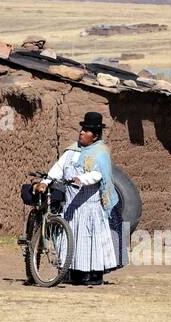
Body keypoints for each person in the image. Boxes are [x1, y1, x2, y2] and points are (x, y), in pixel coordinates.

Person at [42, 111, 119, 286]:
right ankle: (74, 272)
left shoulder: (100, 153)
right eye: (82, 129)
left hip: (90, 208)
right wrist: (45, 182)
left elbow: (99, 174)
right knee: (72, 239)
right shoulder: (71, 151)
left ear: (95, 136)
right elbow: (58, 169)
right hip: (71, 206)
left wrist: (82, 179)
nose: (82, 132)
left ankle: (92, 274)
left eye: (87, 130)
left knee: (89, 240)